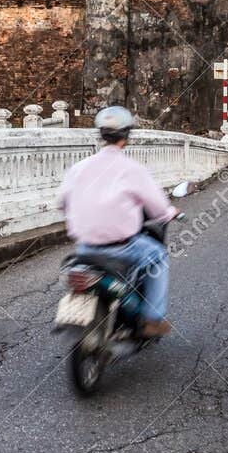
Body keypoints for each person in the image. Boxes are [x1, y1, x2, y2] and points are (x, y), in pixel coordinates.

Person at [57, 106, 178, 338]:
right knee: (158, 256)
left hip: (84, 249)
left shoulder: (79, 168)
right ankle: (152, 319)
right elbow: (158, 208)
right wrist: (170, 212)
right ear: (126, 135)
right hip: (121, 248)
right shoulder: (131, 169)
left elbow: (62, 202)